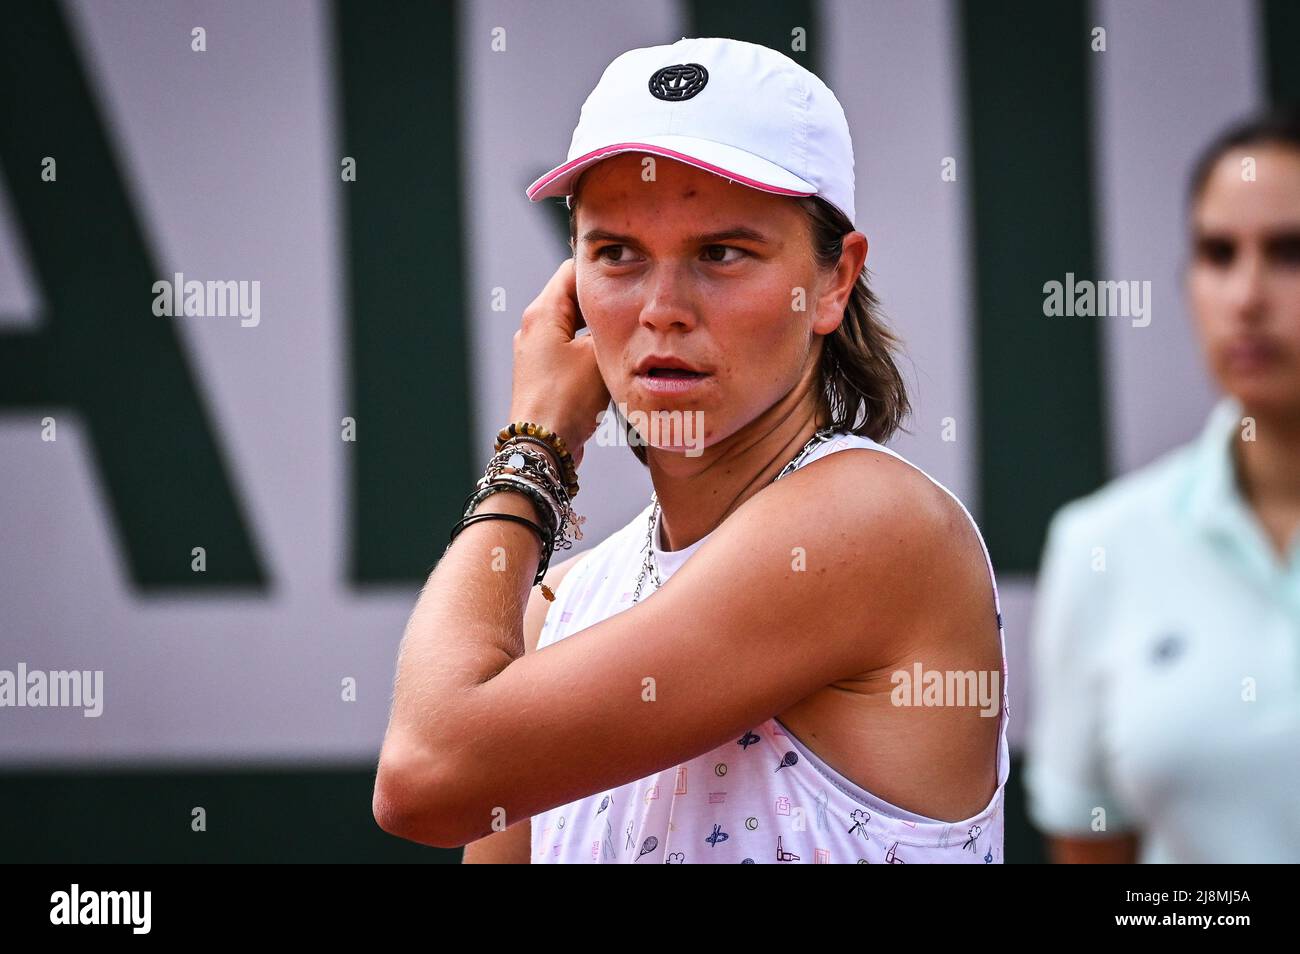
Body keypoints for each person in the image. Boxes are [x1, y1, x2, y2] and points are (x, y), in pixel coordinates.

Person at [373, 36, 1010, 864]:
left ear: (833, 282)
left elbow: (426, 776)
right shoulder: (556, 608)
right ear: (569, 287)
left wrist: (531, 451)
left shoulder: (873, 523)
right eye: (617, 255)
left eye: (721, 252)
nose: (662, 307)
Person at [1025, 105, 1300, 864]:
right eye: (1218, 253)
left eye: (1289, 251)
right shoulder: (1102, 544)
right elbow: (1091, 846)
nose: (1247, 295)